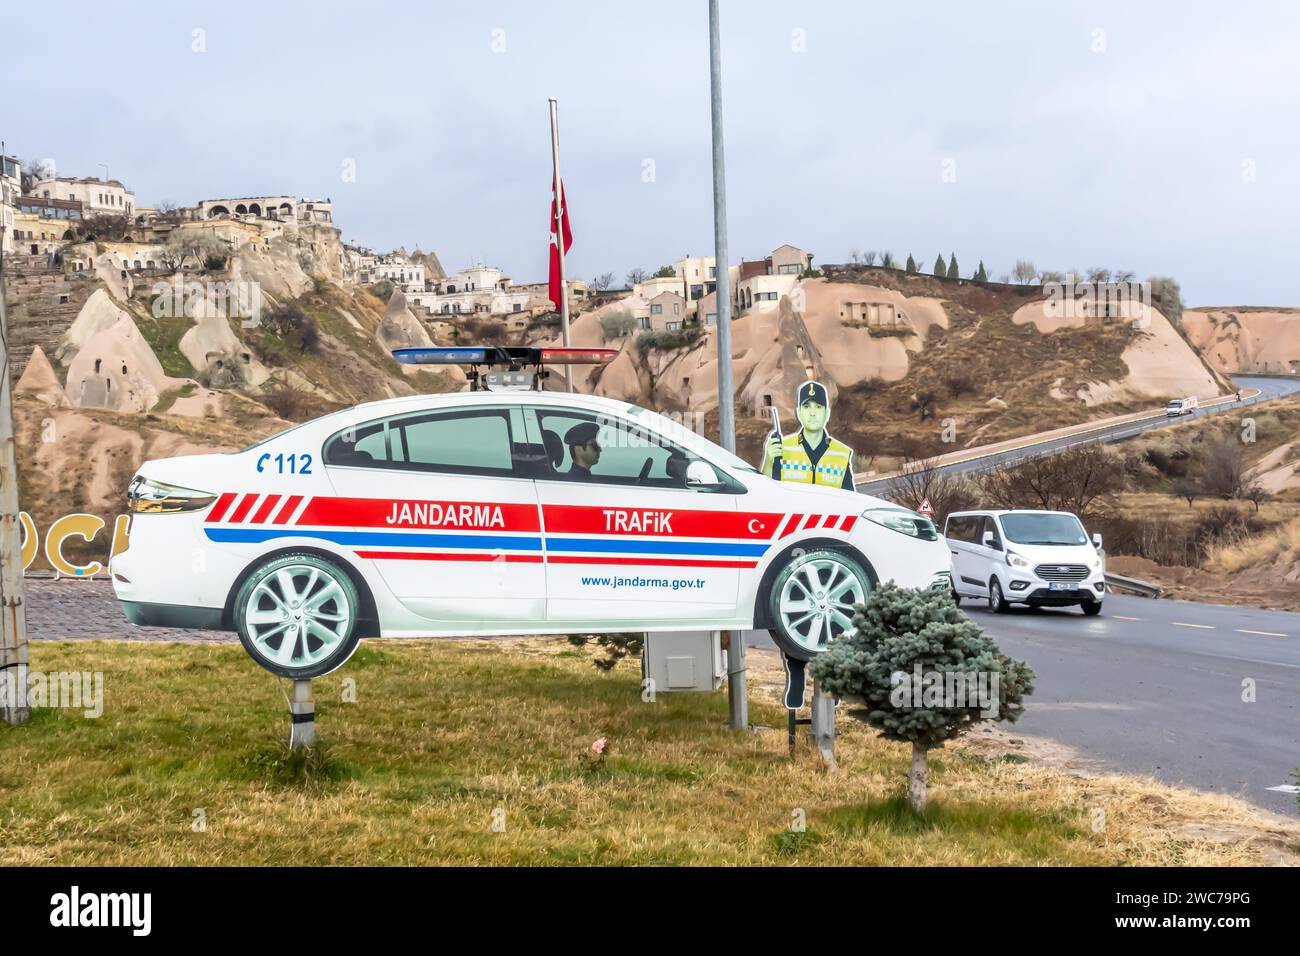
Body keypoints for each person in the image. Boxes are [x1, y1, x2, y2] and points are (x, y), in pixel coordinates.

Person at [759, 380, 855, 492]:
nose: (812, 413)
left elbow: (850, 501)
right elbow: (766, 493)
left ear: (827, 413)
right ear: (799, 413)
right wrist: (769, 461)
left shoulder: (841, 454)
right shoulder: (781, 449)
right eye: (806, 406)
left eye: (818, 407)